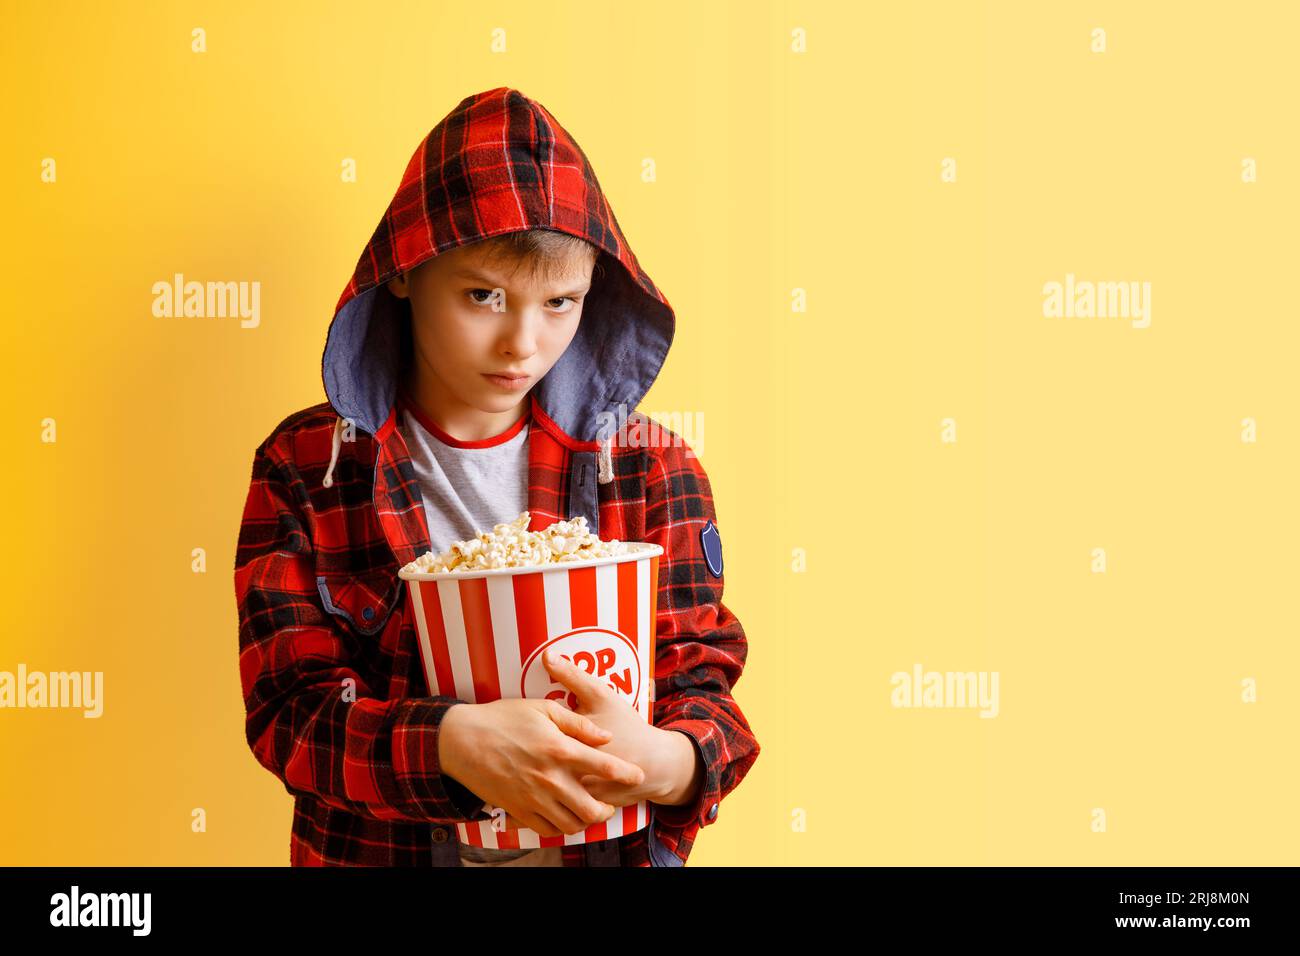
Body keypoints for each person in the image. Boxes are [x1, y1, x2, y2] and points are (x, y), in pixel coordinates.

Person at [233, 87, 759, 866]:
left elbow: (711, 706)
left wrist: (655, 759)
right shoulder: (311, 466)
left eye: (560, 302)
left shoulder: (650, 468)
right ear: (407, 273)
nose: (524, 342)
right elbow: (288, 714)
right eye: (485, 296)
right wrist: (448, 744)